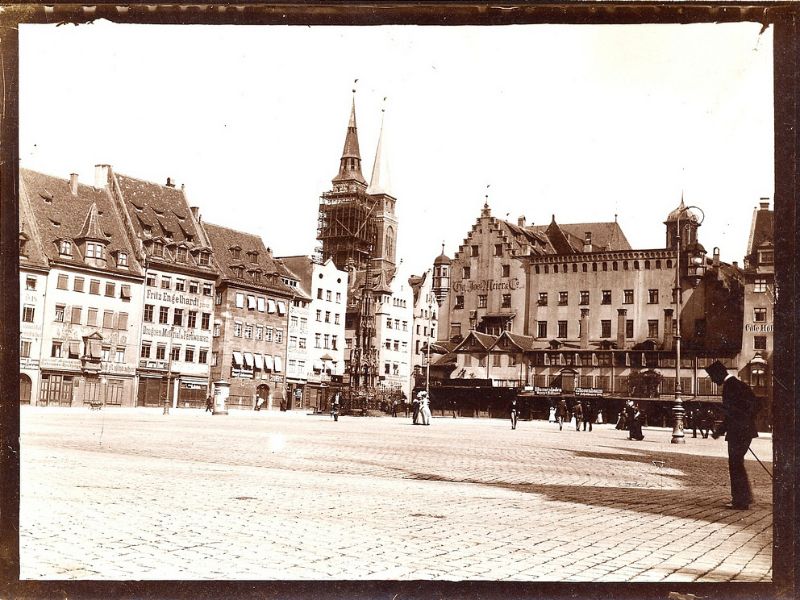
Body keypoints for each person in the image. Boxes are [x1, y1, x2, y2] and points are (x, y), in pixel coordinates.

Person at [707, 360, 759, 510]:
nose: (712, 380)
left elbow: (731, 414)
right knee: (737, 464)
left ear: (719, 374)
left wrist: (720, 430)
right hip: (743, 431)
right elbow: (756, 405)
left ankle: (740, 501)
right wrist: (747, 421)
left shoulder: (730, 387)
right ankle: (744, 498)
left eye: (712, 377)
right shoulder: (738, 384)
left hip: (738, 432)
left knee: (735, 464)